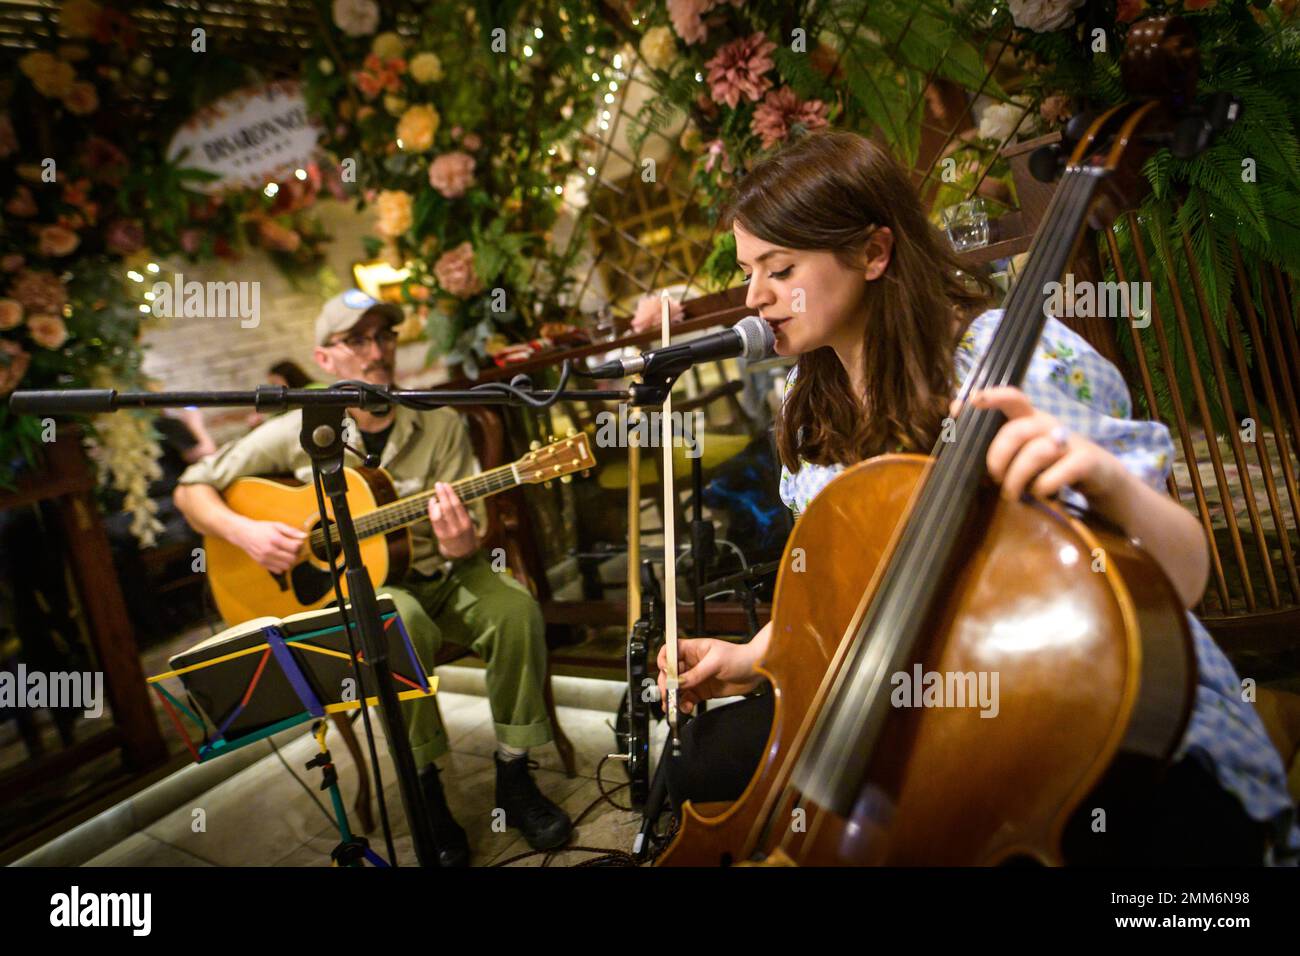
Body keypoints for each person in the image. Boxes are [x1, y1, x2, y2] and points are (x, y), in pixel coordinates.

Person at [656, 130, 1300, 865]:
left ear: (874, 252)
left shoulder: (1006, 357)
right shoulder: (813, 403)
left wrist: (1106, 478)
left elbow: (1183, 576)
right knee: (700, 760)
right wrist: (747, 657)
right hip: (907, 689)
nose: (755, 298)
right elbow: (847, 603)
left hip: (1058, 690)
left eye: (780, 269)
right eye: (749, 273)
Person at [174, 289, 572, 866]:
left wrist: (463, 539)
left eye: (384, 335)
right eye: (356, 339)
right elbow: (191, 488)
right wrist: (247, 533)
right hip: (369, 591)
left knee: (515, 610)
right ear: (325, 358)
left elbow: (473, 532)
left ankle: (515, 774)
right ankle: (425, 788)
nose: (376, 350)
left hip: (447, 573)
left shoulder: (438, 424)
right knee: (394, 624)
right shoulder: (300, 430)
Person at [245, 360, 321, 429]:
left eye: (275, 383)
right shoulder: (282, 404)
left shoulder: (315, 390)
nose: (273, 388)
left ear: (290, 378)